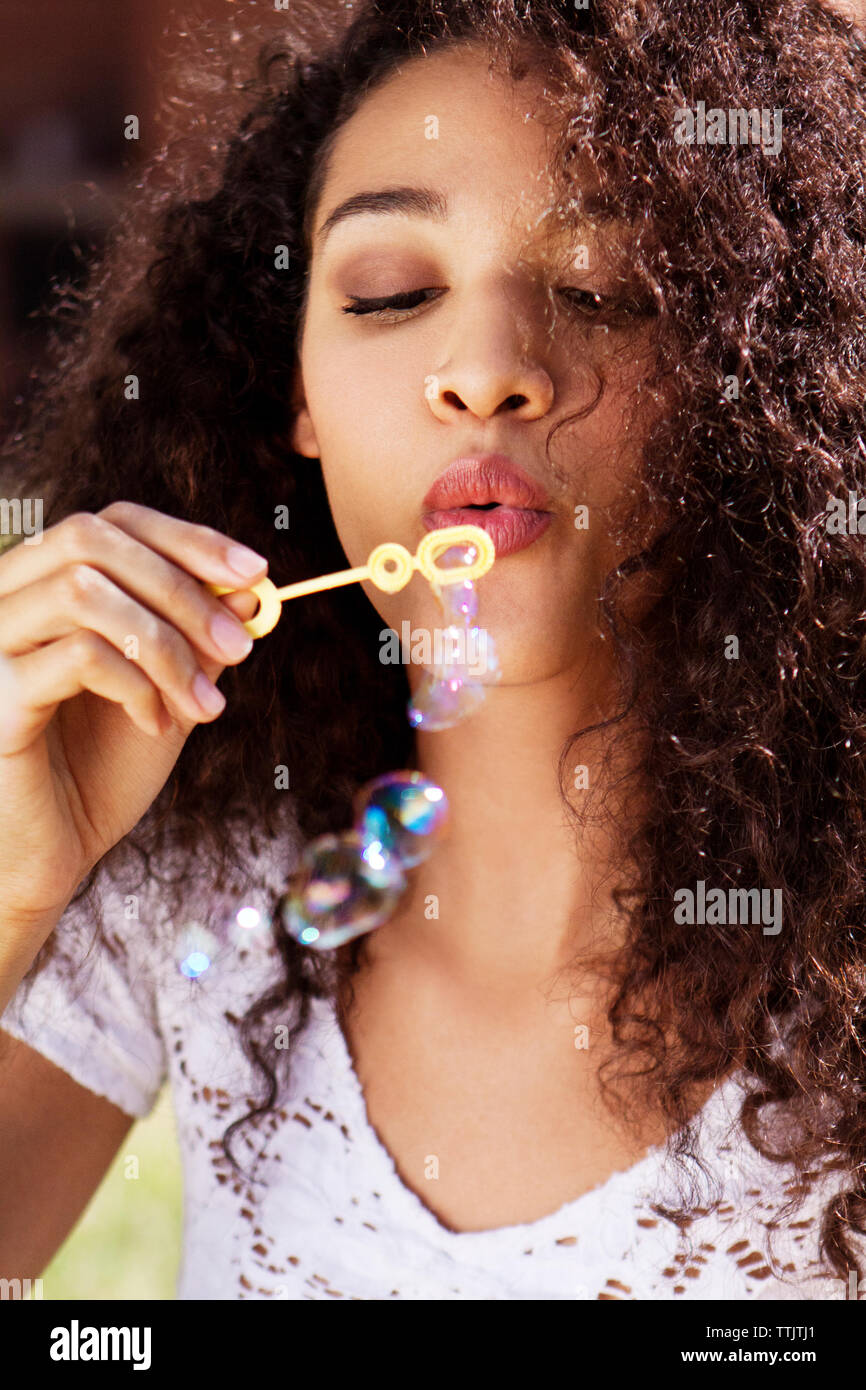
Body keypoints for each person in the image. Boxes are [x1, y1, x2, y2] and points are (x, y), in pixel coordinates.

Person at [0, 0, 864, 1301]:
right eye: (392, 294)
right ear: (296, 389)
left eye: (599, 290)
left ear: (743, 379)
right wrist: (13, 887)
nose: (485, 368)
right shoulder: (192, 885)